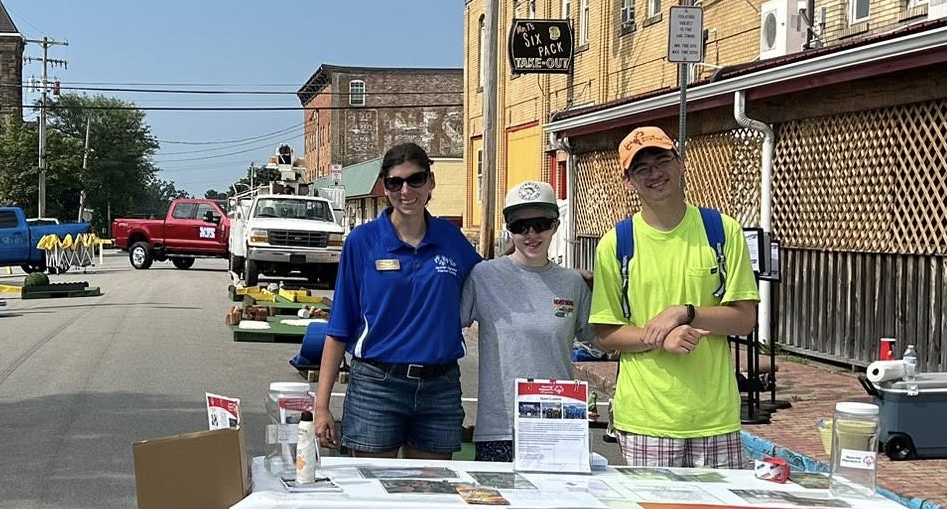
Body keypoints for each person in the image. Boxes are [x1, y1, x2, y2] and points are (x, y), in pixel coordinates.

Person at [588, 125, 760, 468]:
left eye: (662, 160)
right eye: (641, 168)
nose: (655, 173)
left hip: (715, 416)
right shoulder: (616, 243)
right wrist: (661, 339)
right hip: (646, 419)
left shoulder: (722, 231)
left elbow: (745, 317)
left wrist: (685, 312)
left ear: (680, 163)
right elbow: (606, 335)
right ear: (628, 181)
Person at [314, 142, 481, 458]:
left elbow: (495, 279)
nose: (406, 190)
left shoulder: (451, 239)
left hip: (439, 385)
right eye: (395, 182)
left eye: (415, 179)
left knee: (432, 498)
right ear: (385, 186)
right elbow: (339, 327)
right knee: (373, 497)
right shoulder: (362, 243)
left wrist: (561, 275)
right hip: (377, 386)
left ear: (431, 182)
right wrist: (321, 406)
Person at [461, 180, 591, 463]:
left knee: (561, 507)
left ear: (555, 225)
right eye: (520, 226)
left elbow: (602, 337)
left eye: (540, 223)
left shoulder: (573, 283)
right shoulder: (483, 276)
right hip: (500, 427)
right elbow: (443, 324)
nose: (531, 234)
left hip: (560, 422)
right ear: (509, 228)